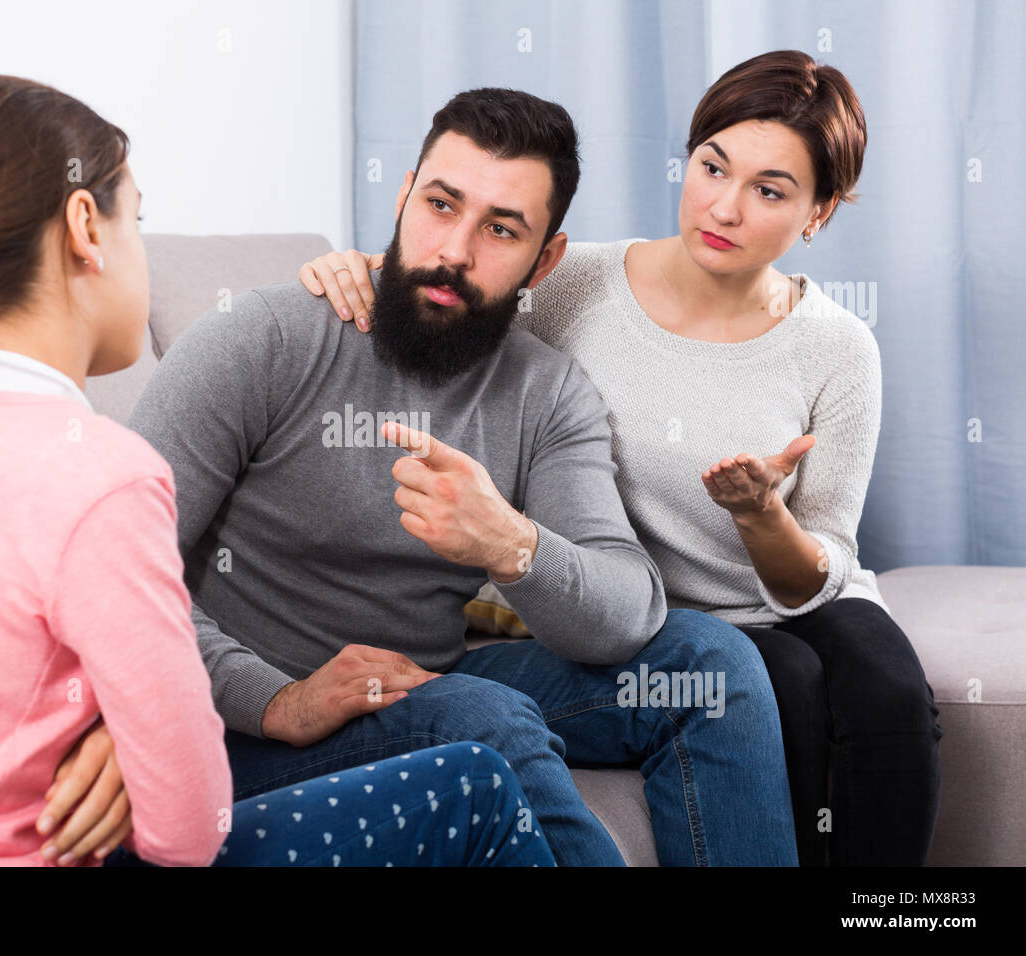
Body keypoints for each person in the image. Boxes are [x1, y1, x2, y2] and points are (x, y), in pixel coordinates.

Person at [0, 74, 552, 868]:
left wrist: (123, 734)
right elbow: (189, 828)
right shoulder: (104, 475)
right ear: (86, 224)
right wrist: (144, 743)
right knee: (475, 786)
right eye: (138, 219)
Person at [127, 86, 798, 867]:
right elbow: (117, 581)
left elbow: (624, 610)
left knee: (710, 665)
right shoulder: (264, 339)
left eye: (500, 229)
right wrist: (276, 699)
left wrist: (511, 543)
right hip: (243, 724)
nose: (454, 249)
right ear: (405, 194)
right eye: (441, 205)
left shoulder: (547, 392)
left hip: (417, 682)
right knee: (481, 715)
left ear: (545, 259)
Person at [300, 52, 942, 866]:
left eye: (770, 190)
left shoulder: (841, 348)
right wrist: (353, 270)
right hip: (639, 613)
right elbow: (444, 296)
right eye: (712, 167)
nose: (724, 206)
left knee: (887, 694)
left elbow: (813, 576)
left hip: (790, 590)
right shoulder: (576, 282)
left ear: (817, 213)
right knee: (781, 682)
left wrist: (758, 514)